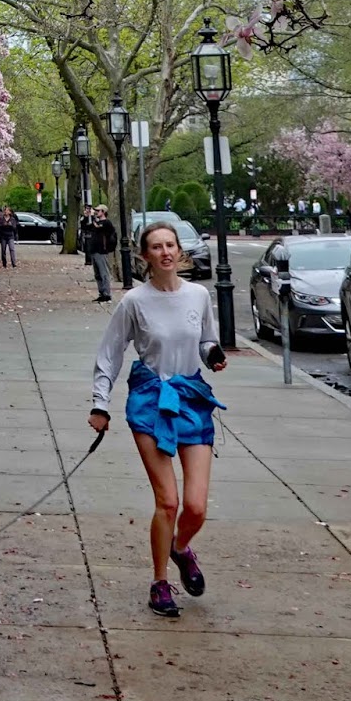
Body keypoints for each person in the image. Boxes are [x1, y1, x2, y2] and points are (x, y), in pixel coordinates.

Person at [88, 222, 227, 620]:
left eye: (170, 245)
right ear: (145, 256)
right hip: (150, 402)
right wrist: (101, 404)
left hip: (191, 400)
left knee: (196, 507)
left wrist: (212, 354)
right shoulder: (134, 301)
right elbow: (110, 354)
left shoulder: (199, 295)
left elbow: (205, 340)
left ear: (179, 251)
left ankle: (179, 548)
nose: (165, 252)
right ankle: (160, 582)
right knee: (168, 501)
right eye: (156, 247)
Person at [88, 205, 117, 301]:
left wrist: (93, 217)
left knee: (103, 272)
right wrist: (86, 217)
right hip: (94, 250)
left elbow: (98, 227)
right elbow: (86, 227)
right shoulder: (97, 222)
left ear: (103, 211)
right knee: (97, 274)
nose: (96, 212)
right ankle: (101, 292)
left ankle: (107, 293)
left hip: (101, 250)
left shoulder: (106, 223)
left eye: (98, 211)